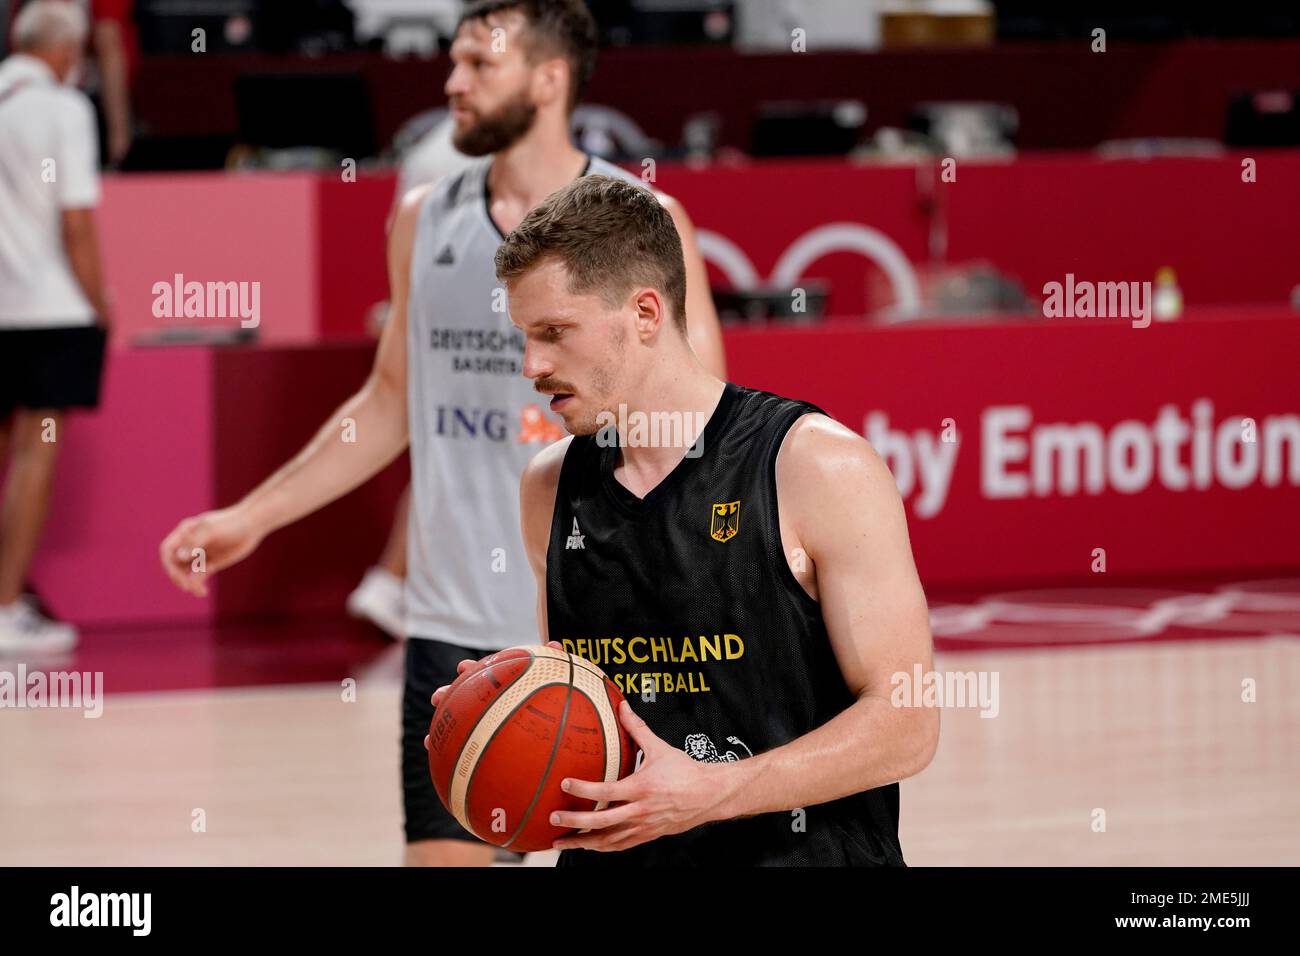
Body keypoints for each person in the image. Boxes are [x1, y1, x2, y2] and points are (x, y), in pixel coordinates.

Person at [159, 0, 726, 867]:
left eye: (478, 65)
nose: (452, 83)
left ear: (549, 78)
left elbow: (702, 425)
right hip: (457, 633)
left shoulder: (646, 221)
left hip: (611, 631)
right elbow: (389, 402)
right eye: (454, 62)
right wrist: (255, 516)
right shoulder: (426, 217)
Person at [429, 174, 938, 865]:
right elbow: (587, 712)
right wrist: (501, 705)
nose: (531, 365)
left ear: (645, 314)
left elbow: (907, 724)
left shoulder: (816, 466)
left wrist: (711, 792)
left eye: (554, 333)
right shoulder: (548, 487)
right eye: (524, 336)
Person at [0, 0, 110, 654]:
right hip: (47, 309)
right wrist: (102, 302)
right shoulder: (64, 110)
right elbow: (77, 224)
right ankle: (6, 603)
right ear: (67, 53)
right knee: (35, 457)